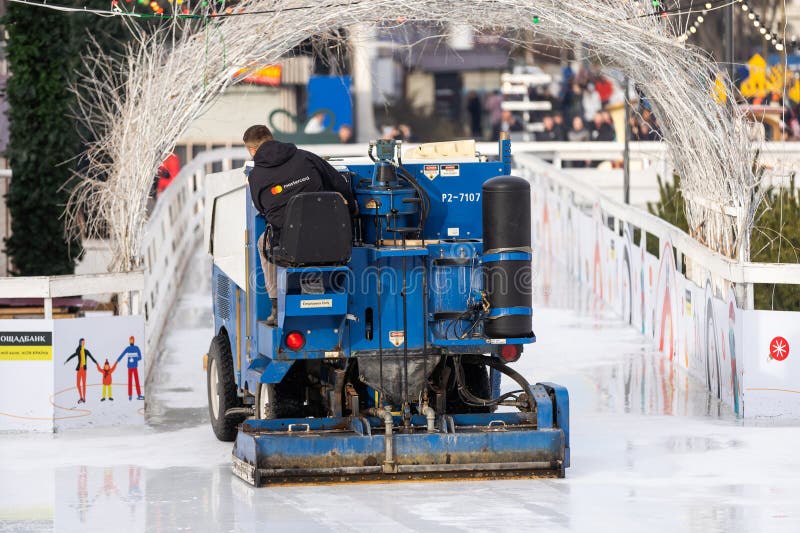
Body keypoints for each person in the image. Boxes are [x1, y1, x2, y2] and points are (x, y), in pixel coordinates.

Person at [243, 124, 357, 326]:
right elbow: (338, 182)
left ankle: (276, 305)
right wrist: (351, 208)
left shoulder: (256, 176)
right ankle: (317, 287)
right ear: (272, 138)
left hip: (291, 244)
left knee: (263, 243)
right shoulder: (305, 156)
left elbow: (262, 209)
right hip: (330, 235)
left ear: (252, 150)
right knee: (313, 243)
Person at [64, 338, 98, 404]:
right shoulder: (78, 350)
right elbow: (73, 355)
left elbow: (91, 357)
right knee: (78, 384)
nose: (83, 343)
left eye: (84, 342)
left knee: (84, 384)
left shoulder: (86, 351)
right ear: (80, 343)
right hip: (79, 369)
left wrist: (96, 362)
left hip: (84, 370)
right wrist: (67, 360)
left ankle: (84, 398)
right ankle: (81, 397)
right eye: (82, 342)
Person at [115, 336, 144, 401]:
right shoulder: (128, 348)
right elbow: (122, 354)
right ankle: (130, 395)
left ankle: (139, 394)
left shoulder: (136, 348)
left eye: (132, 340)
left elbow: (140, 357)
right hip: (129, 367)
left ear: (134, 341)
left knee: (137, 381)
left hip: (135, 367)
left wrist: (135, 359)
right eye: (130, 340)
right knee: (130, 381)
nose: (131, 341)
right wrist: (117, 360)